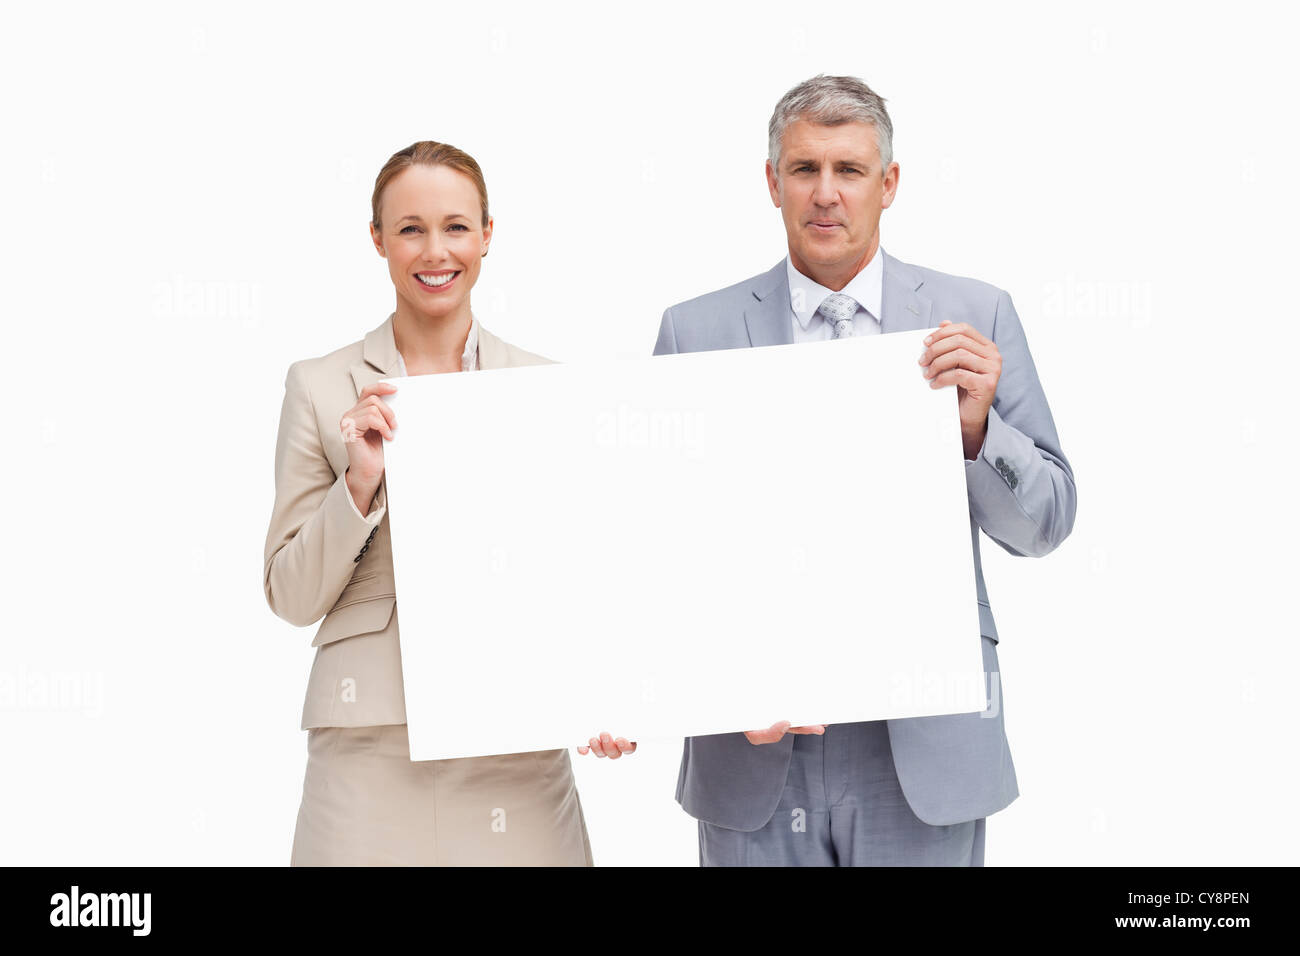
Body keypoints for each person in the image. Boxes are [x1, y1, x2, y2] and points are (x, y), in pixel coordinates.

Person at [652, 75, 1077, 866]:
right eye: (805, 169)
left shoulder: (975, 315)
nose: (826, 194)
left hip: (921, 739)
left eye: (849, 171)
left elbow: (1046, 524)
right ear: (772, 182)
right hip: (754, 738)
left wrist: (979, 429)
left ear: (888, 185)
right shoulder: (694, 331)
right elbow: (660, 546)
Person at [264, 141, 624, 865]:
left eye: (457, 227)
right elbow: (290, 594)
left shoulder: (547, 387)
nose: (436, 251)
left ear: (488, 235)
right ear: (377, 240)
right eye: (410, 228)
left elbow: (584, 573)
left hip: (515, 745)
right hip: (368, 747)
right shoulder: (319, 384)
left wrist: (605, 691)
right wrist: (359, 483)